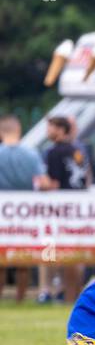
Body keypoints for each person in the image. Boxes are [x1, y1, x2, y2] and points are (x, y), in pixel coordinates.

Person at [39, 116, 91, 304]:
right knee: (76, 251)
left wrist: (41, 187)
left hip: (60, 209)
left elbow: (54, 183)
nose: (47, 132)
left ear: (61, 130)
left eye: (50, 128)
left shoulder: (53, 152)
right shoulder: (80, 150)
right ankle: (74, 293)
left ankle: (54, 289)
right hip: (80, 207)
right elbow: (87, 179)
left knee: (52, 247)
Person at [0, 114, 44, 302]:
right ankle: (20, 298)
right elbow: (42, 182)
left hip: (2, 211)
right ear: (19, 130)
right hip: (26, 212)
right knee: (23, 259)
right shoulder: (32, 154)